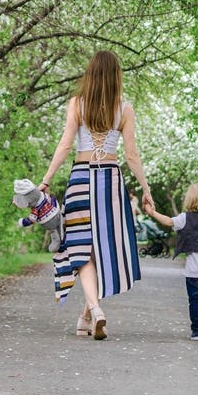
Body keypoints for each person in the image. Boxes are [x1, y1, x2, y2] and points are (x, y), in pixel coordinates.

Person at [37, 50, 154, 340]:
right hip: (110, 180)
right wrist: (146, 189)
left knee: (81, 247)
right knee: (104, 247)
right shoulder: (124, 109)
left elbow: (65, 146)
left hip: (80, 178)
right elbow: (132, 155)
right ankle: (90, 310)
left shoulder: (77, 104)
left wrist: (46, 180)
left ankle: (93, 310)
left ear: (90, 74)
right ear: (116, 76)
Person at [143, 182, 198, 341]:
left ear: (190, 199)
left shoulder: (185, 218)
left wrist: (152, 213)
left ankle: (197, 331)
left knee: (195, 300)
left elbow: (168, 221)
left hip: (193, 271)